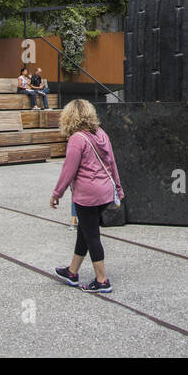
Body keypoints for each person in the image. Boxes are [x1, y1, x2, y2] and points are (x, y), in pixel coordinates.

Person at [50, 100, 123, 293]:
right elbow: (112, 163)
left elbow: (69, 170)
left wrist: (57, 193)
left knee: (92, 236)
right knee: (84, 230)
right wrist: (119, 189)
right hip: (105, 192)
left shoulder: (77, 139)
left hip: (87, 195)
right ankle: (72, 271)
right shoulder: (101, 134)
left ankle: (102, 280)